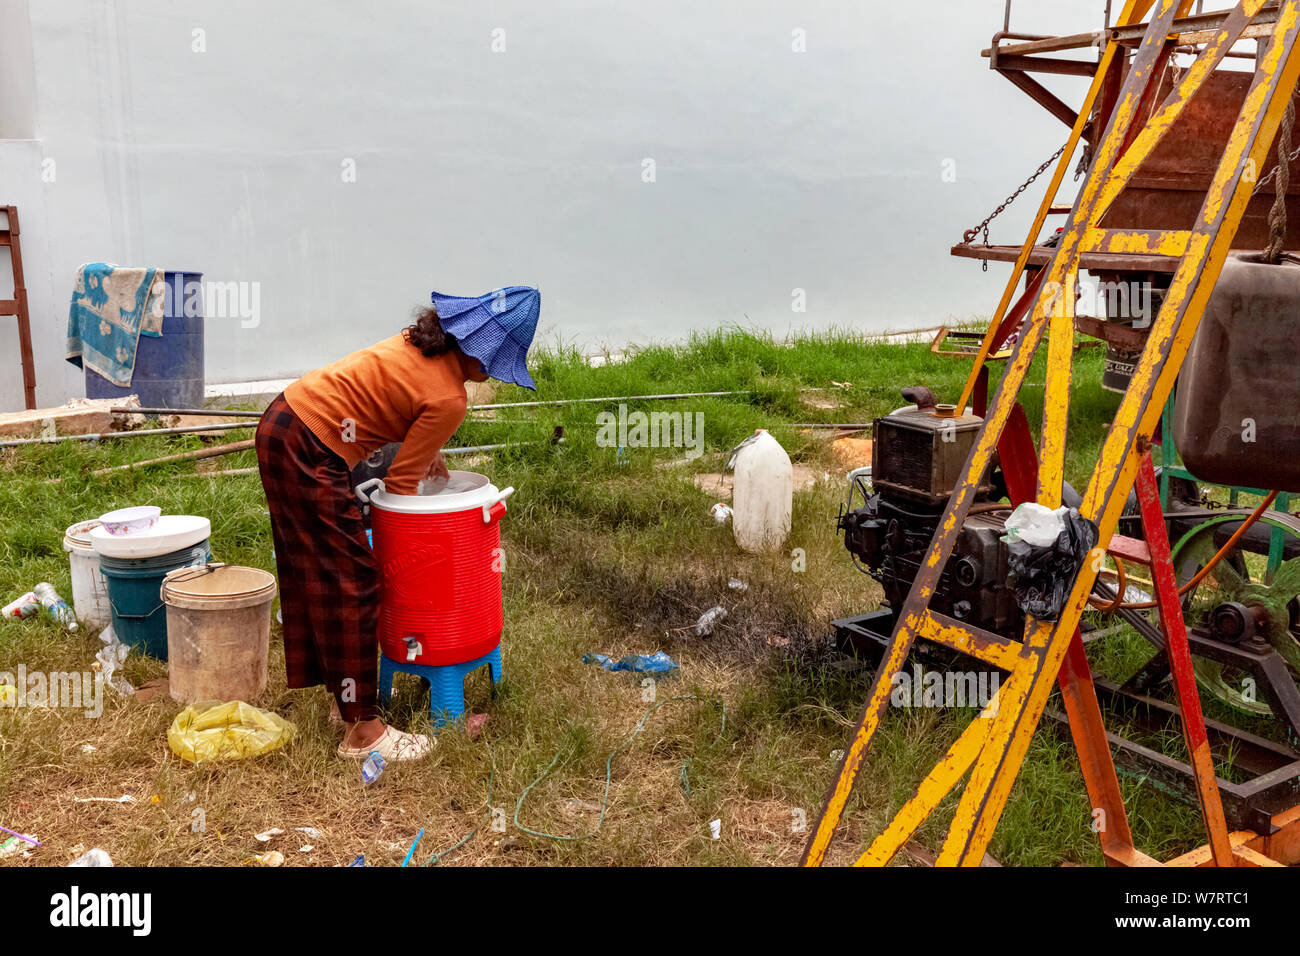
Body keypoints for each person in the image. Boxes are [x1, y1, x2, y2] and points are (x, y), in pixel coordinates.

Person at [255, 287, 540, 762]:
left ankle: (344, 701)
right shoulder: (450, 397)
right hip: (310, 445)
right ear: (476, 350)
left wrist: (428, 448)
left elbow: (396, 401)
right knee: (354, 581)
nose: (490, 372)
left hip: (284, 420)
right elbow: (401, 487)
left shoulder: (417, 343)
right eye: (493, 361)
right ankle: (363, 733)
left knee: (319, 571)